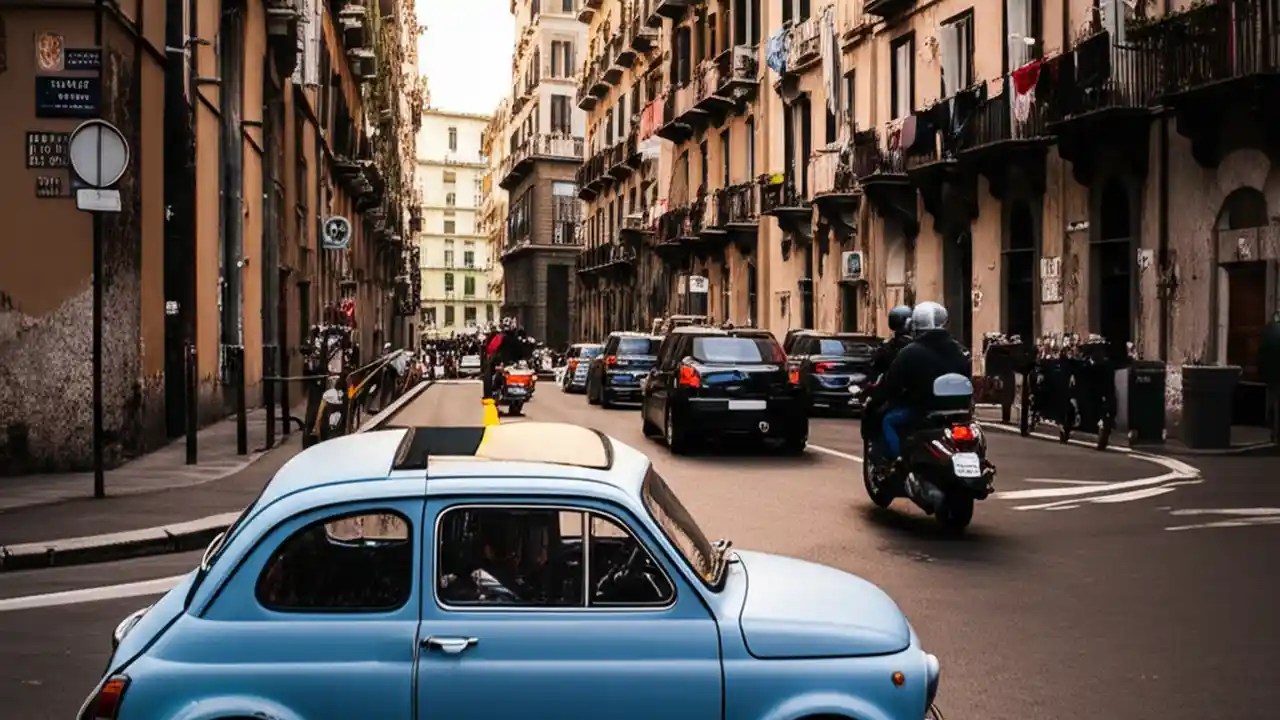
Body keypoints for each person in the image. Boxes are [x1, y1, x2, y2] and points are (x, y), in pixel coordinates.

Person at [873, 301, 972, 465]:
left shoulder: (910, 352)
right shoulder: (960, 350)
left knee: (888, 420)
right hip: (960, 411)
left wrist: (885, 397)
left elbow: (892, 383)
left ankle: (898, 461)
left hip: (923, 410)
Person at [862, 305, 914, 443]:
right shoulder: (920, 345)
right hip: (914, 398)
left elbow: (874, 371)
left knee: (885, 419)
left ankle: (894, 457)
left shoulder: (892, 348)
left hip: (901, 398)